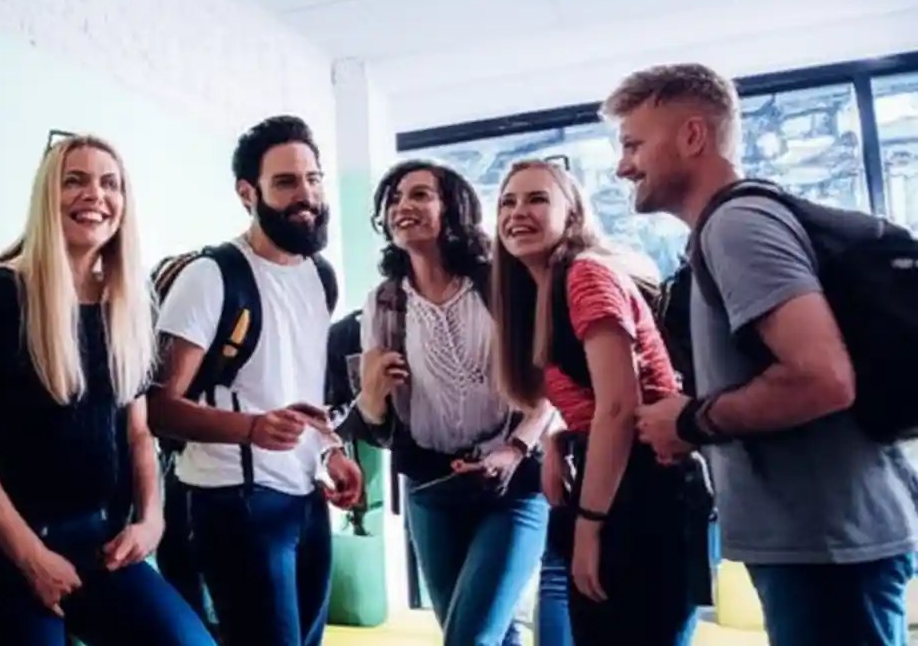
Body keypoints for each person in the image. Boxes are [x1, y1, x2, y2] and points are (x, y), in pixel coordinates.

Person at [608, 63, 918, 646]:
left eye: (634, 145)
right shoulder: (723, 231)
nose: (624, 166)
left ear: (693, 136)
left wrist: (690, 421)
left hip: (827, 546)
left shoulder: (737, 226)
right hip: (815, 544)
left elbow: (823, 379)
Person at [0, 135, 214, 645]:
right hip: (14, 551)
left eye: (109, 183)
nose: (94, 195)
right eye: (74, 181)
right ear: (47, 196)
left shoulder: (129, 305)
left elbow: (138, 435)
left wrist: (151, 521)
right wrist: (29, 556)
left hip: (104, 546)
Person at [148, 115, 363, 646]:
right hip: (234, 501)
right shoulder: (210, 276)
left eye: (313, 179)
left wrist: (331, 450)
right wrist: (252, 429)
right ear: (249, 193)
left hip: (305, 495)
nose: (306, 195)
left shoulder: (319, 275)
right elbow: (158, 408)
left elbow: (299, 389)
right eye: (286, 182)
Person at [494, 159, 709, 645]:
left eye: (536, 199)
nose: (516, 213)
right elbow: (596, 402)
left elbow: (619, 406)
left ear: (571, 215)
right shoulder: (544, 292)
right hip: (616, 481)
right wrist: (559, 435)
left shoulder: (585, 275)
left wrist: (589, 528)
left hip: (642, 492)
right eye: (507, 202)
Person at [355, 159, 558, 646]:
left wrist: (513, 449)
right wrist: (371, 393)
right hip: (432, 489)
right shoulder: (384, 303)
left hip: (513, 483)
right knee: (491, 632)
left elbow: (552, 385)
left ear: (453, 209)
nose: (404, 206)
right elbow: (375, 422)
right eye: (395, 199)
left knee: (470, 638)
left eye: (421, 195)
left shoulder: (502, 286)